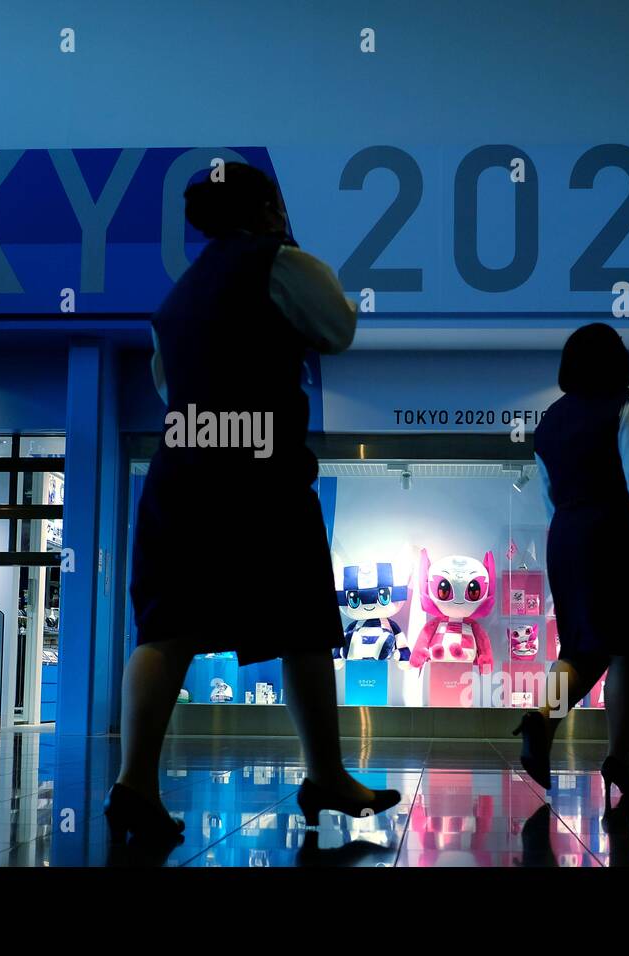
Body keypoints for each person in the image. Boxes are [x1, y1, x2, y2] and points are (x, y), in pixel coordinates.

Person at [105, 163, 399, 847]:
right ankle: (325, 773)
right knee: (302, 626)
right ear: (268, 206)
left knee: (166, 627)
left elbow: (167, 387)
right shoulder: (280, 261)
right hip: (261, 473)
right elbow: (338, 328)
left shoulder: (176, 297)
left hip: (181, 467)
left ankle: (134, 784)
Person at [515, 323, 629, 815]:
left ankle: (545, 718)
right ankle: (615, 758)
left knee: (583, 645)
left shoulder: (549, 422)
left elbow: (549, 497)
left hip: (566, 538)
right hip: (616, 535)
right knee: (628, 648)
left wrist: (570, 535)